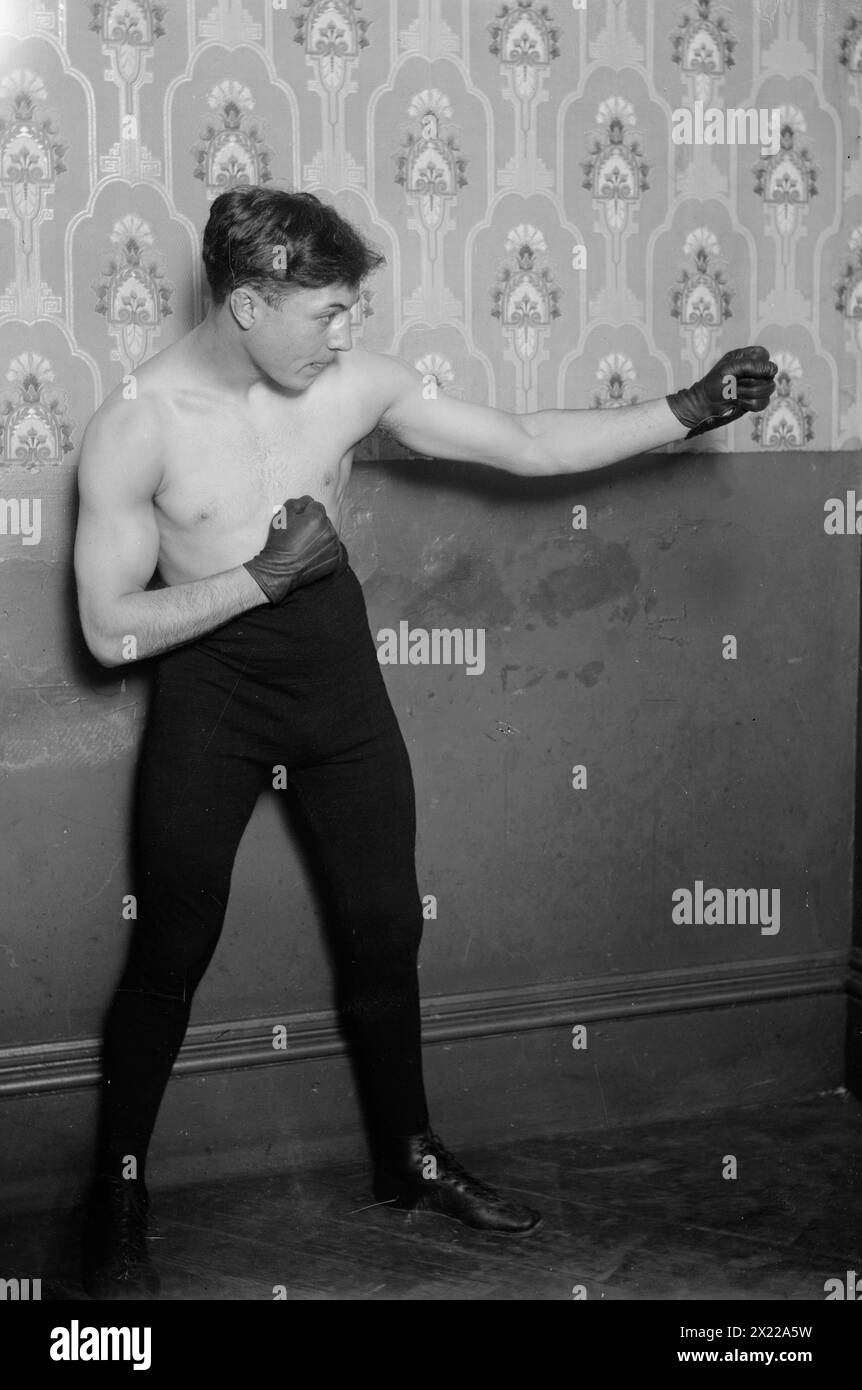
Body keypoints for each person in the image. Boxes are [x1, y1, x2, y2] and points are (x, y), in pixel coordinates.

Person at [73, 185, 777, 1299]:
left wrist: (687, 407)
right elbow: (111, 632)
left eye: (357, 310)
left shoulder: (354, 386)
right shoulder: (137, 424)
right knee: (170, 948)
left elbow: (527, 445)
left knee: (384, 925)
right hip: (211, 696)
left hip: (337, 685)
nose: (351, 334)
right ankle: (116, 1193)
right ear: (250, 302)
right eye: (330, 312)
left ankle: (410, 1157)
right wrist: (256, 579)